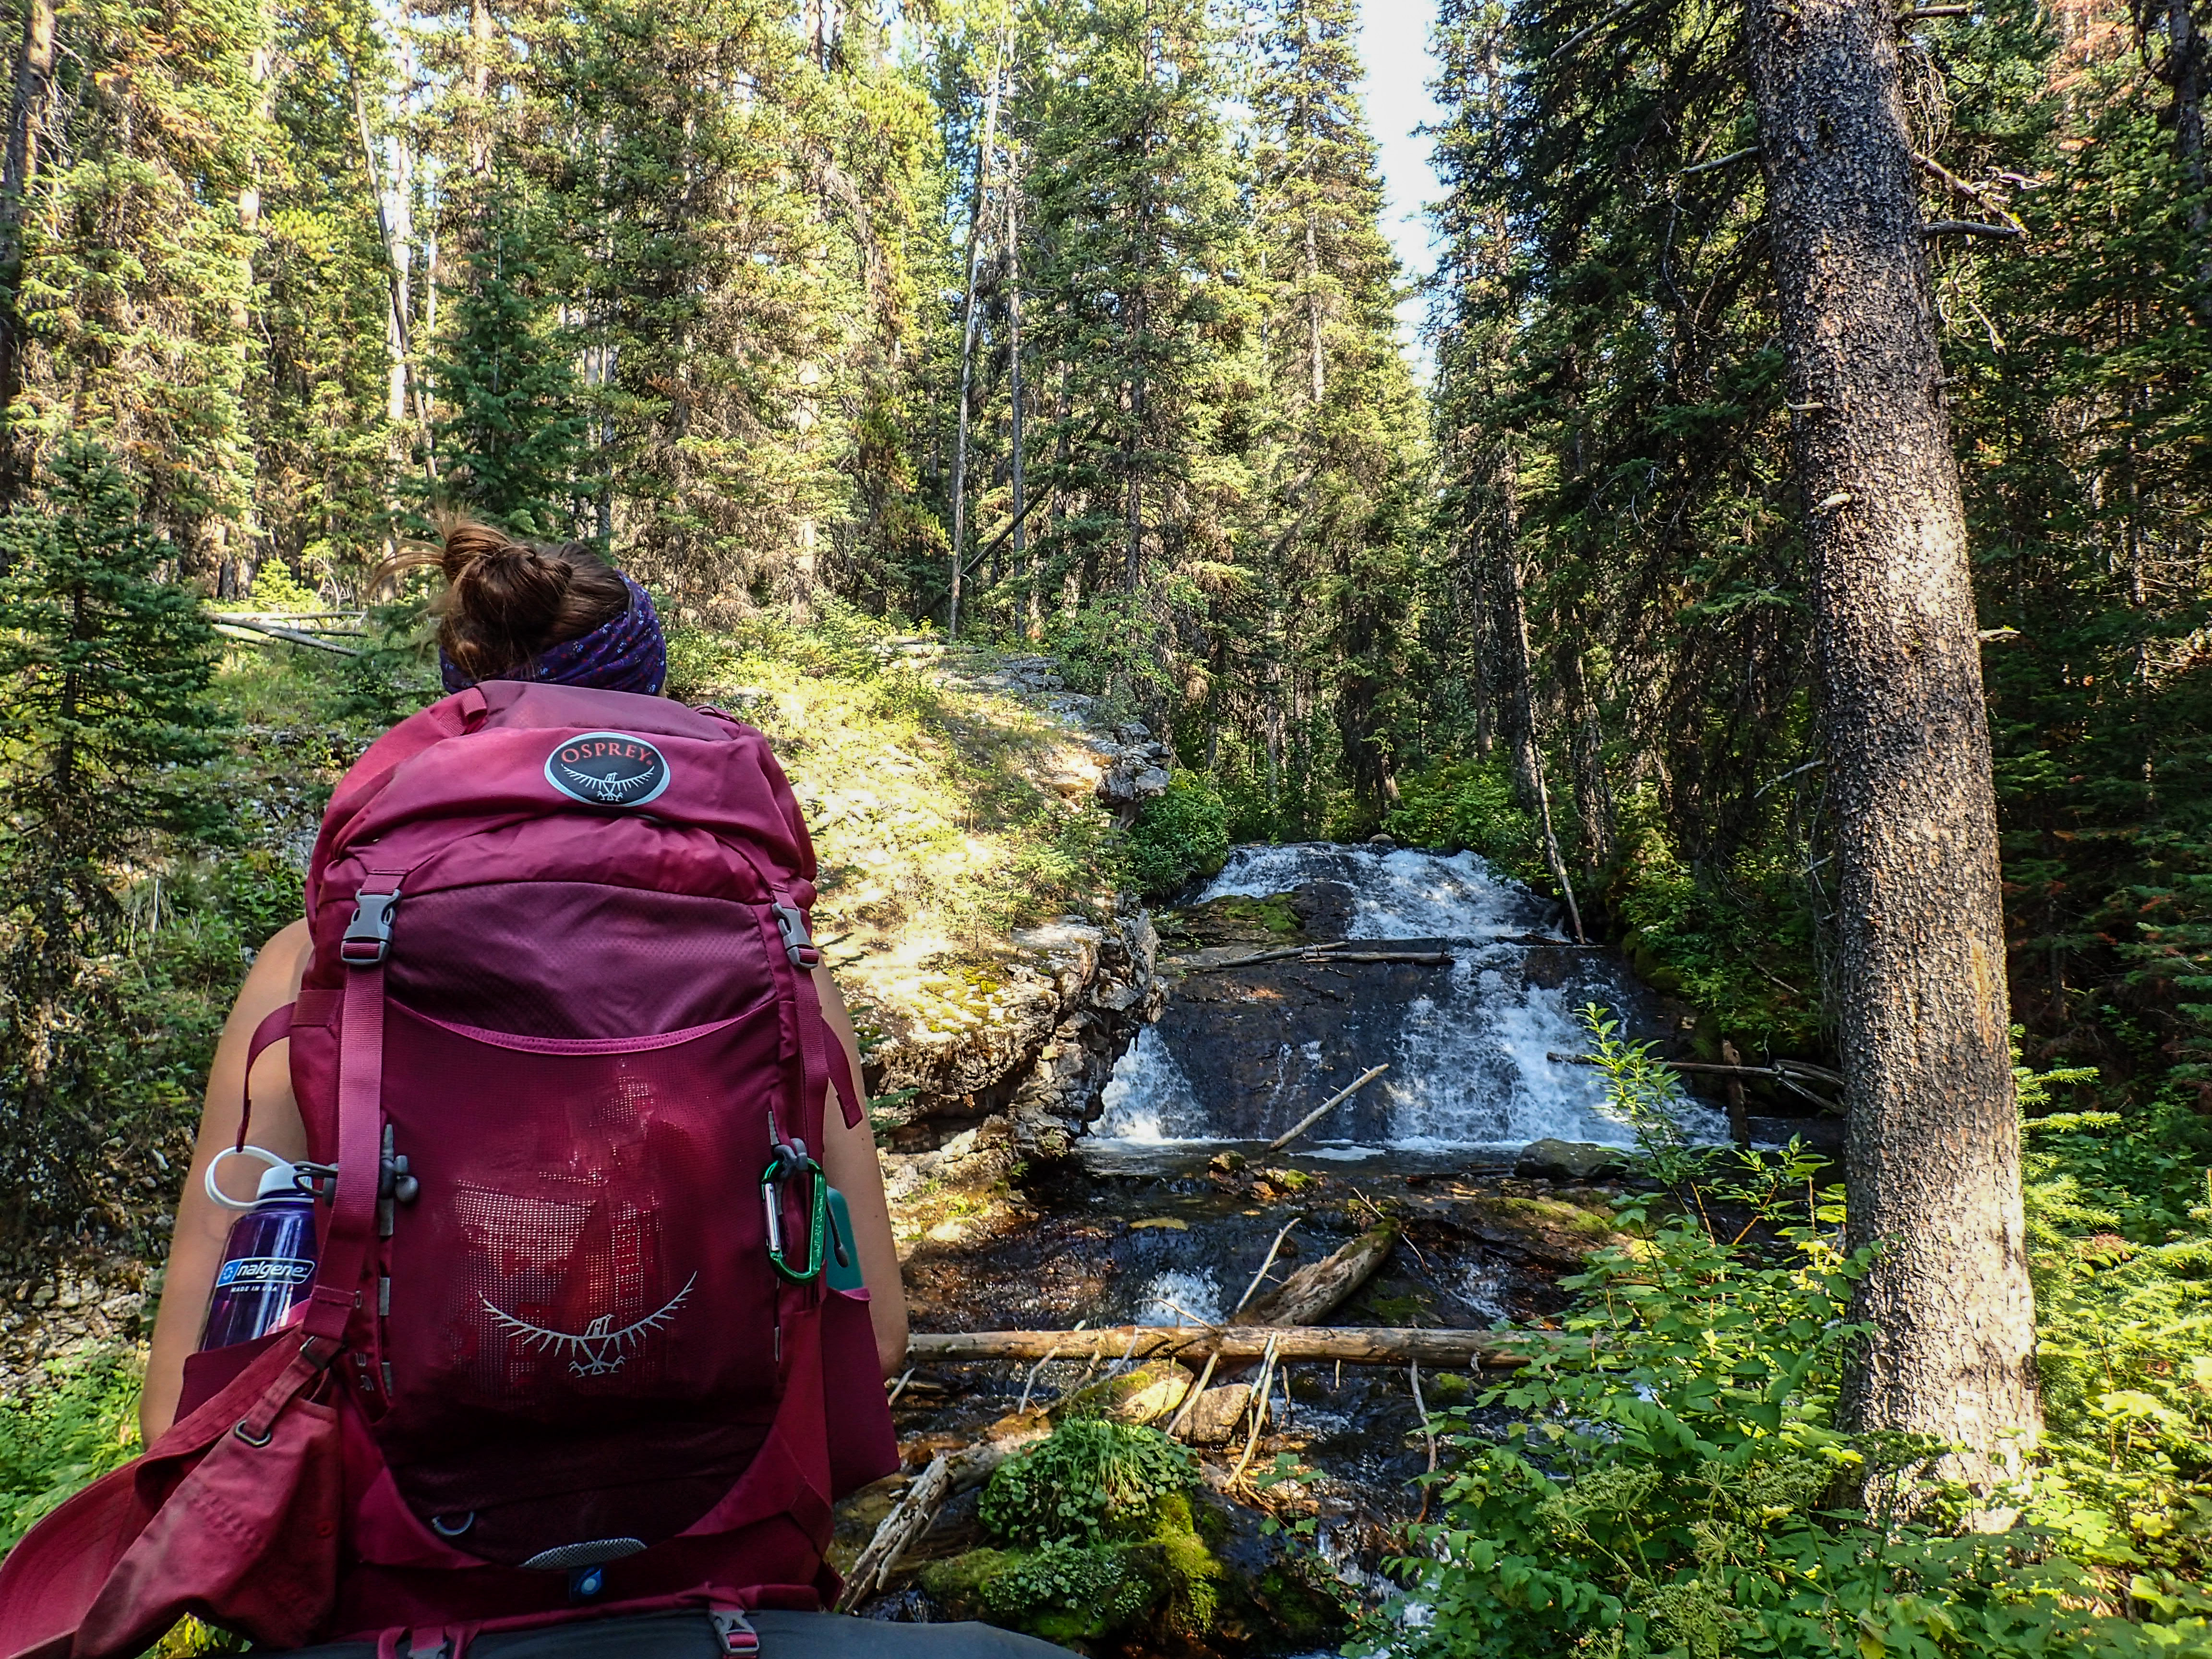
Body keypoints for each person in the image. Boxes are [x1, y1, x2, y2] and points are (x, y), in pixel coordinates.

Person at [139, 518, 907, 1442]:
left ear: (459, 715)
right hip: (715, 1538)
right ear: (654, 710)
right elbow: (882, 1333)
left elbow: (181, 1405)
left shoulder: (315, 962)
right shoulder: (777, 955)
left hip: (407, 1547)